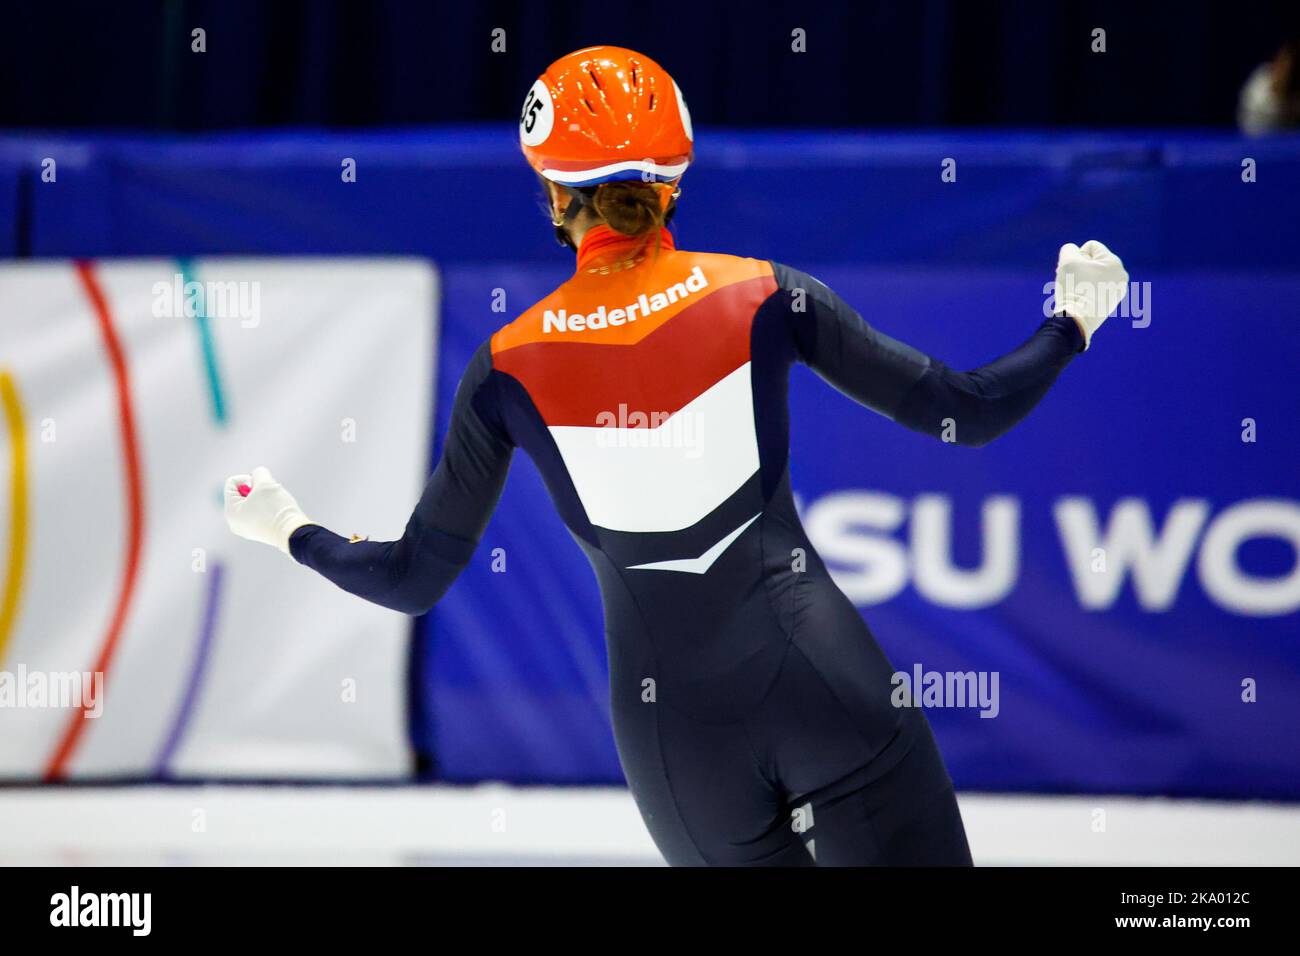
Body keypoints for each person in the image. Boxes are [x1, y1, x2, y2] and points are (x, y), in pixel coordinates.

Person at [225, 46, 1128, 866]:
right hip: (827, 688)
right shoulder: (766, 293)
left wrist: (289, 529)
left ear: (552, 192)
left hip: (676, 749)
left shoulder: (506, 365)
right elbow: (962, 413)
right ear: (672, 182)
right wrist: (1071, 322)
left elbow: (414, 580)